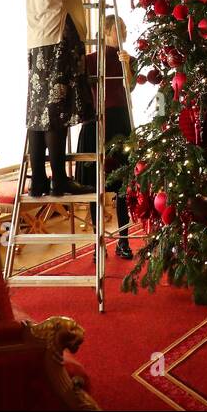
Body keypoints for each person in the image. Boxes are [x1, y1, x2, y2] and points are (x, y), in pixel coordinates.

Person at [25, 0, 130, 197]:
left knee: (39, 111)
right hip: (59, 36)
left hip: (38, 39)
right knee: (56, 112)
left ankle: (39, 181)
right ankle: (59, 180)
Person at [76, 15, 135, 259]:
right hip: (95, 123)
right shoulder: (90, 60)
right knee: (94, 186)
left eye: (125, 29)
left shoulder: (129, 59)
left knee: (122, 185)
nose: (124, 33)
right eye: (119, 28)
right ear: (107, 31)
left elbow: (130, 88)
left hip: (120, 123)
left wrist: (127, 66)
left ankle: (124, 241)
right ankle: (96, 243)